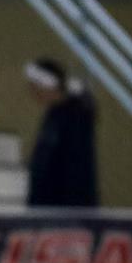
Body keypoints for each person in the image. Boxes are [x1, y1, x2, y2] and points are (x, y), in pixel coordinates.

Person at [24, 58, 99, 209]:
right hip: (49, 205)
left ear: (47, 86)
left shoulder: (76, 115)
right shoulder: (54, 115)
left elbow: (75, 167)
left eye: (35, 87)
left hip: (68, 206)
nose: (32, 93)